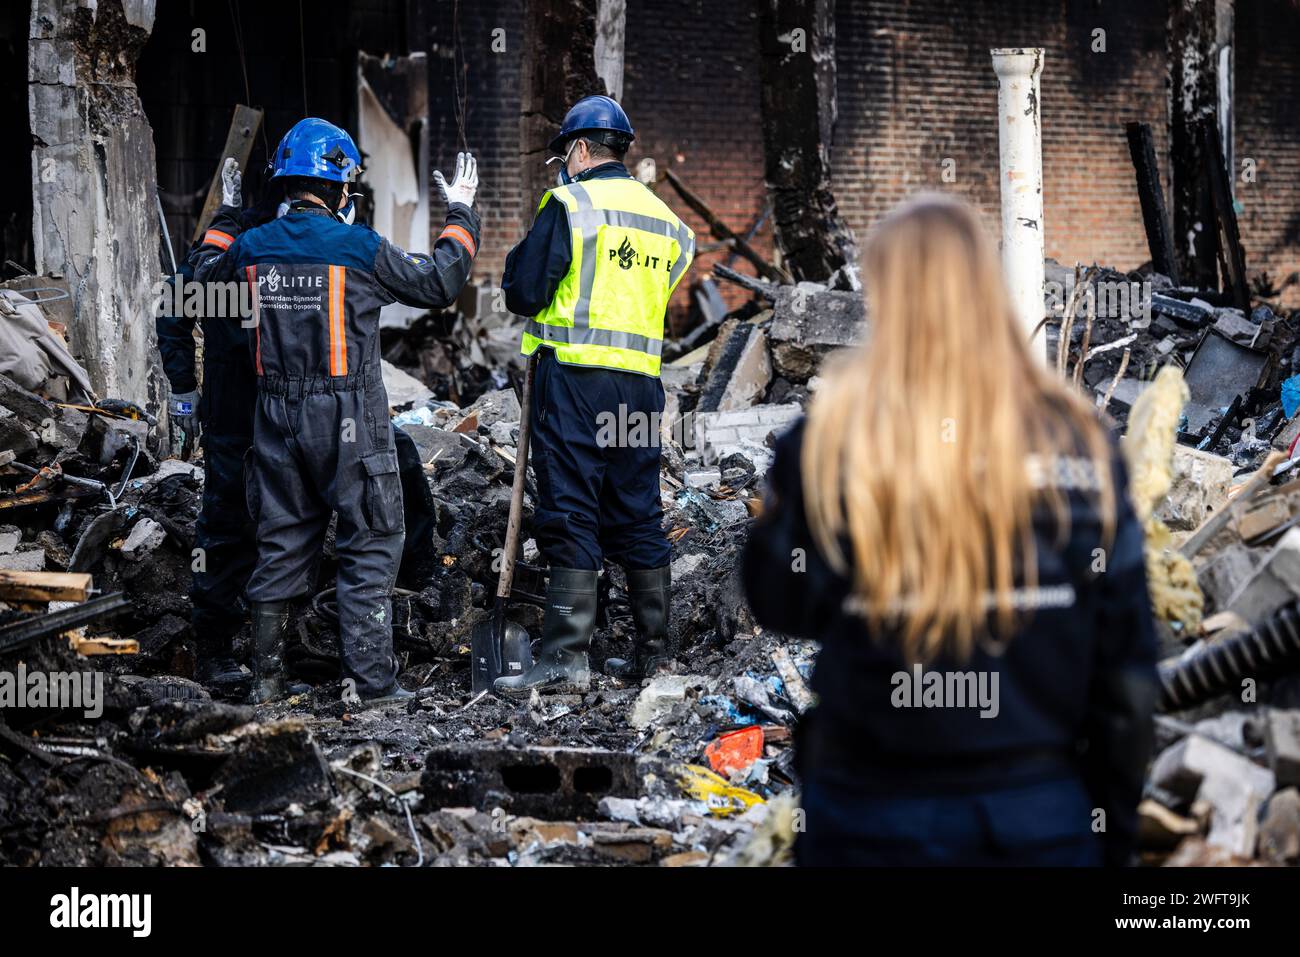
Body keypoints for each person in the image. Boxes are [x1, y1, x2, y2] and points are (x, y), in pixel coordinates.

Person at [742, 194, 1158, 866]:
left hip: (868, 818)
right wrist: (1112, 833)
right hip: (1039, 819)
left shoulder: (831, 442)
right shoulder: (1082, 445)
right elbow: (1129, 678)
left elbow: (778, 599)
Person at [189, 117, 480, 706]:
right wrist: (462, 214)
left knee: (281, 539)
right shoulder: (359, 247)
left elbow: (199, 285)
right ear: (343, 189)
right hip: (348, 412)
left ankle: (266, 680)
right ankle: (371, 685)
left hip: (273, 416)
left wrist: (225, 217)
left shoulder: (252, 245)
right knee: (372, 537)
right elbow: (441, 282)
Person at [495, 95, 695, 696]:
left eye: (565, 154)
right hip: (640, 387)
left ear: (580, 150)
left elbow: (524, 292)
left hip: (577, 381)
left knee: (570, 509)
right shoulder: (667, 222)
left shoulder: (571, 204)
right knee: (637, 512)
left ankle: (564, 659)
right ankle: (653, 656)